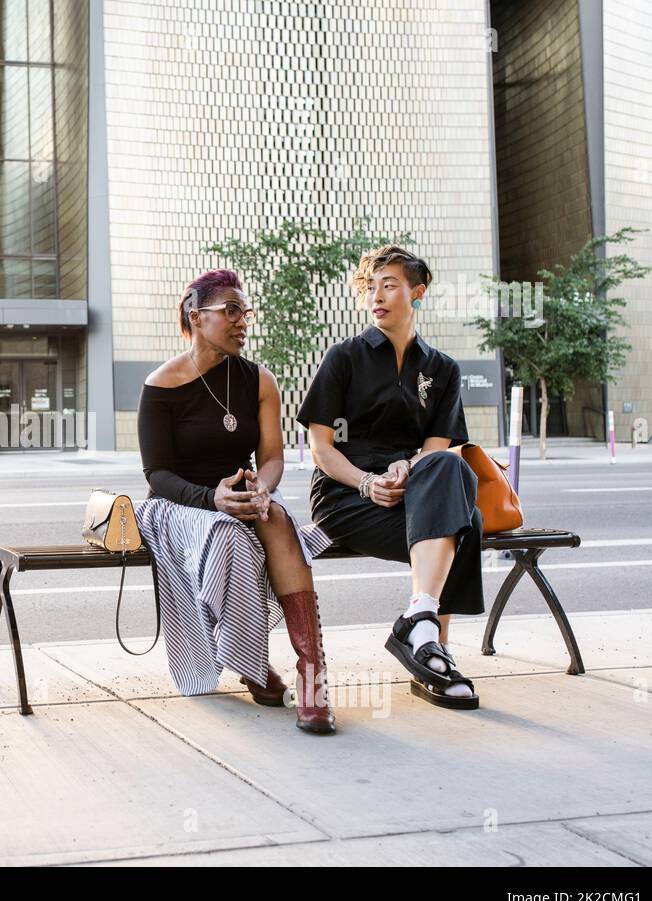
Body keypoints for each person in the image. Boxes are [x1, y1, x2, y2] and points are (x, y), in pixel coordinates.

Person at [136, 269, 335, 734]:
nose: (242, 320)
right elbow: (156, 474)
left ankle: (312, 677)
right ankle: (253, 664)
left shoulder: (259, 380)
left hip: (242, 491)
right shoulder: (160, 386)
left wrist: (263, 487)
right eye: (230, 310)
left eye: (245, 311)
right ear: (196, 316)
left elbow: (271, 457)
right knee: (230, 537)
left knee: (277, 518)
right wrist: (212, 498)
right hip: (178, 505)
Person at [296, 244, 483, 709]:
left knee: (449, 468)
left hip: (411, 492)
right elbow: (320, 448)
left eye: (390, 285)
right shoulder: (345, 358)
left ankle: (421, 630)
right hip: (346, 497)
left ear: (417, 293)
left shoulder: (442, 369)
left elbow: (438, 448)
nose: (376, 295)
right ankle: (429, 644)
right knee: (465, 523)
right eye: (370, 287)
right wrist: (366, 481)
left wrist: (407, 467)